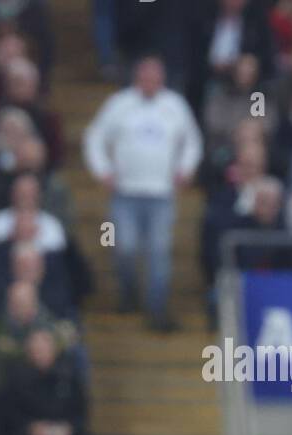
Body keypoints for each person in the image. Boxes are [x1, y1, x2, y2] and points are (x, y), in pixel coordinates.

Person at [83, 55, 202, 331]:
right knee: (123, 246)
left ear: (162, 79)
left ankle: (157, 308)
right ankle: (128, 294)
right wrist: (103, 170)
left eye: (155, 77)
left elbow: (192, 141)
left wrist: (185, 168)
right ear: (138, 77)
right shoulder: (120, 104)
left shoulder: (175, 105)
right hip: (125, 192)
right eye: (145, 76)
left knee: (159, 251)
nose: (150, 82)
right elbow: (94, 136)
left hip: (162, 194)